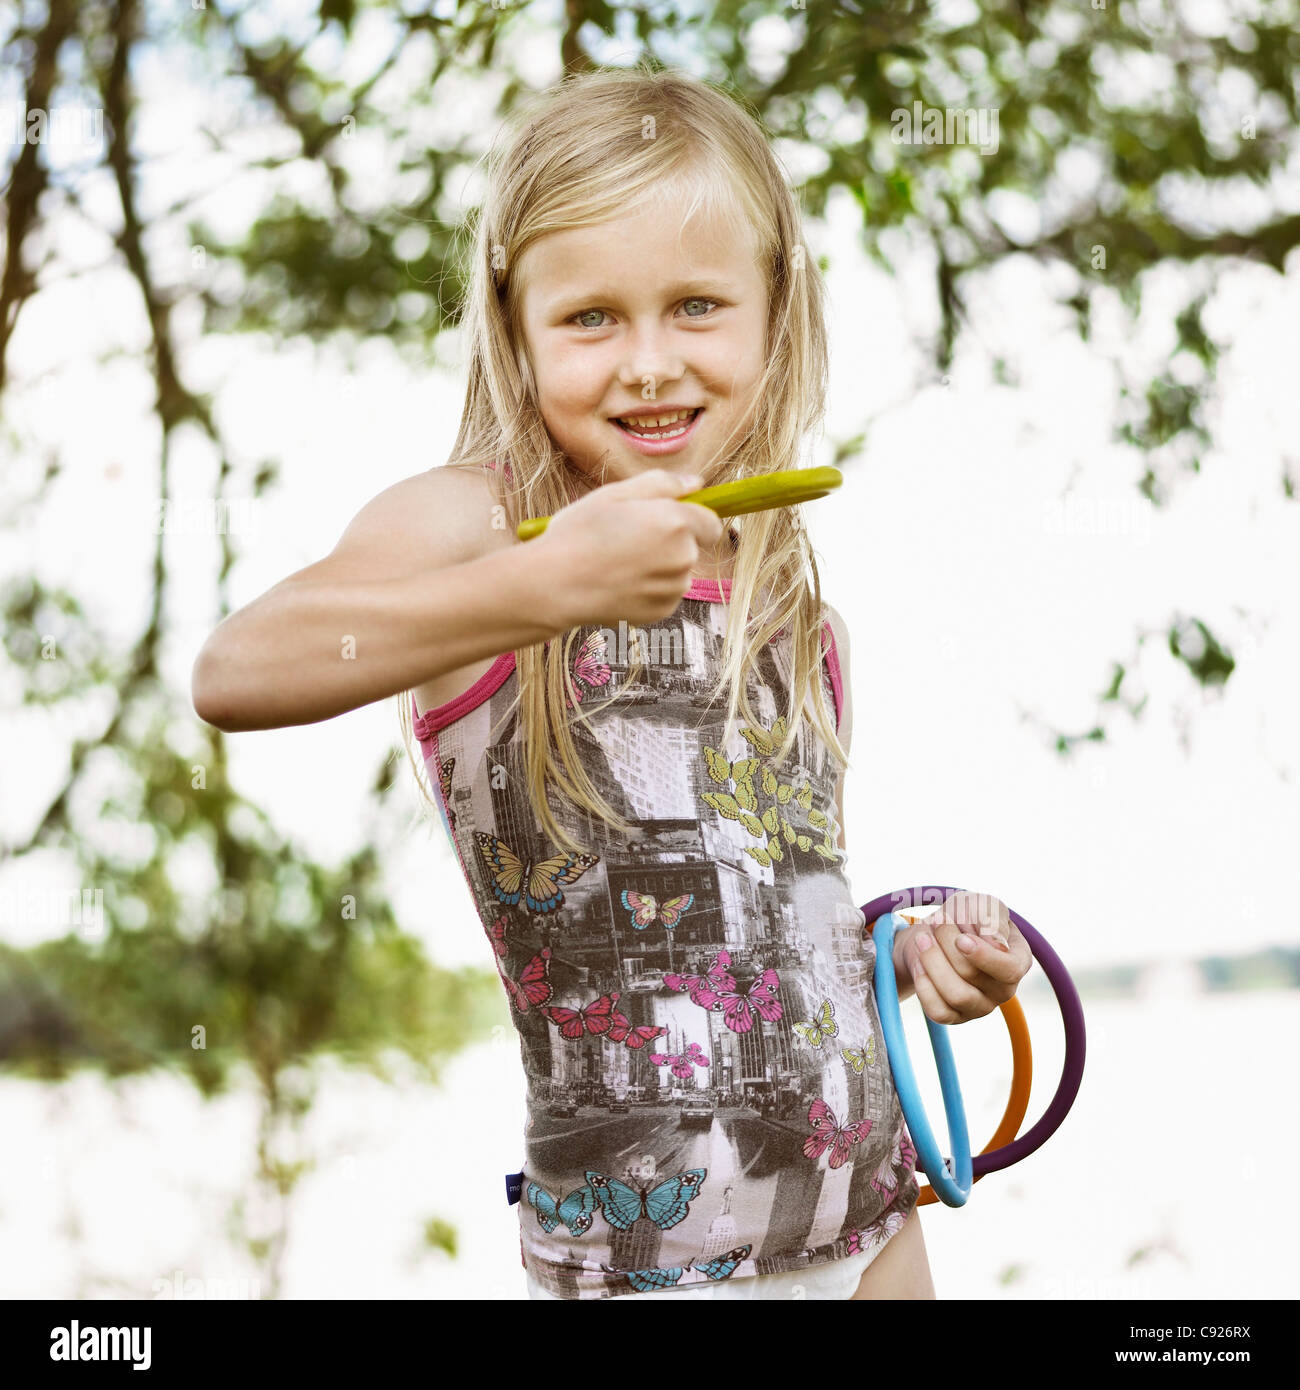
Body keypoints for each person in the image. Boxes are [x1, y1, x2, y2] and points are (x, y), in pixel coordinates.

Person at [191, 63, 1032, 1301]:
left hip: (869, 1236)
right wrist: (544, 590)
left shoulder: (796, 610)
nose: (648, 363)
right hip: (640, 1269)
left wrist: (909, 960)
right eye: (590, 318)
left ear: (772, 309)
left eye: (697, 306)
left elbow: (765, 923)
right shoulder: (485, 524)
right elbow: (236, 670)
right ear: (513, 320)